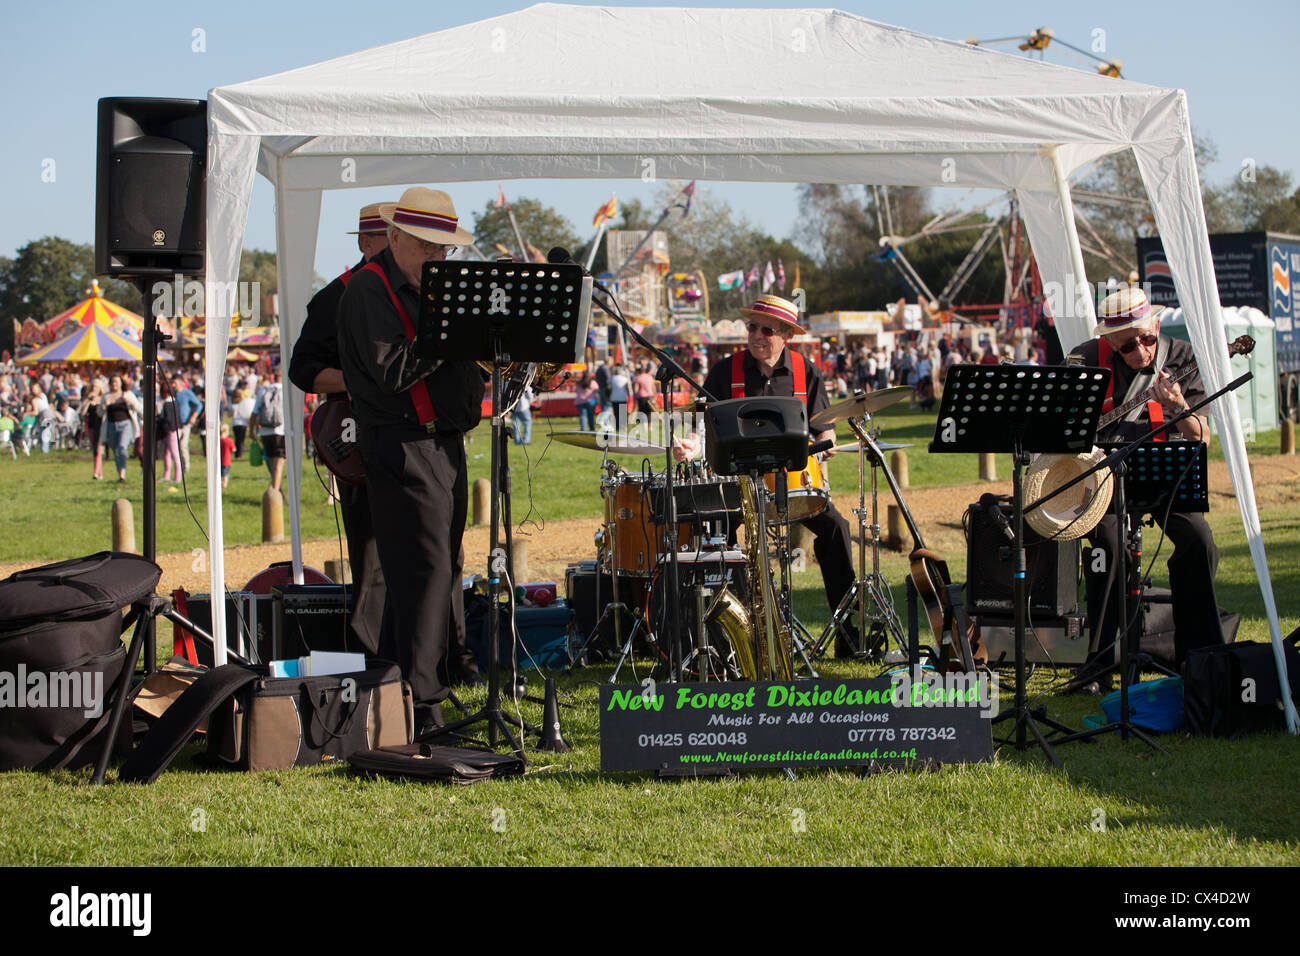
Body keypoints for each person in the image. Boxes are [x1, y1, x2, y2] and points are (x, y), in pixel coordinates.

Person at [337, 186, 485, 737]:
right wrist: (453, 329)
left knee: (434, 572)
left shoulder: (427, 288)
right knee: (424, 575)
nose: (438, 260)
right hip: (402, 444)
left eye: (445, 250)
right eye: (427, 247)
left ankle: (403, 697)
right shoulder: (369, 291)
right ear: (394, 238)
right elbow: (395, 370)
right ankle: (425, 707)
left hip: (441, 444)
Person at [1067, 287, 1220, 692]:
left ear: (1156, 325)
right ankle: (1098, 663)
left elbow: (1202, 435)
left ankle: (1199, 656)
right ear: (1108, 342)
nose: (1139, 351)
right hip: (1103, 475)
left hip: (1164, 472)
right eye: (1126, 345)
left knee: (1198, 541)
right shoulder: (1084, 358)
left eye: (1146, 339)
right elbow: (1064, 428)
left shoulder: (1183, 357)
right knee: (1108, 547)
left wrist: (1177, 408)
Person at [696, 293, 861, 657]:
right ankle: (727, 641)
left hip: (795, 482)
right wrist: (690, 442)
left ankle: (849, 636)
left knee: (836, 531)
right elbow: (703, 422)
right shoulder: (725, 371)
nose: (755, 334)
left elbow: (824, 425)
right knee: (717, 537)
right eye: (751, 326)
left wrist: (827, 439)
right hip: (736, 486)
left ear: (787, 333)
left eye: (765, 329)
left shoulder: (807, 370)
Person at [289, 202, 393, 656]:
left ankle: (445, 655)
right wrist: (362, 381)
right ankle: (372, 654)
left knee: (440, 555)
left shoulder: (416, 292)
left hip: (417, 437)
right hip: (362, 440)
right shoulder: (335, 297)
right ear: (367, 243)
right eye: (393, 240)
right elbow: (303, 370)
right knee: (372, 557)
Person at [250, 369, 286, 493]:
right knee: (279, 463)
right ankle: (274, 492)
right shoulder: (285, 390)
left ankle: (276, 490)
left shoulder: (264, 390)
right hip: (281, 431)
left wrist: (251, 431)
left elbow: (254, 412)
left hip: (265, 431)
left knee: (271, 462)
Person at [100, 374, 140, 482]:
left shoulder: (127, 394)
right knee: (116, 450)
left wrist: (129, 402)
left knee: (122, 447)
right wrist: (104, 405)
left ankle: (122, 474)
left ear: (121, 383)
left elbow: (139, 408)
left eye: (116, 382)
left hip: (125, 425)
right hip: (111, 426)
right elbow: (99, 413)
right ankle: (120, 473)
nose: (114, 384)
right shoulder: (106, 396)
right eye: (112, 382)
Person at [171, 375, 203, 474]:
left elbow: (199, 405)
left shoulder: (187, 393)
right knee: (175, 447)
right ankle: (178, 467)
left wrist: (193, 417)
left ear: (181, 383)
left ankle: (186, 468)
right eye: (172, 383)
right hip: (175, 424)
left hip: (185, 423)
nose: (173, 385)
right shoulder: (172, 394)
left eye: (175, 383)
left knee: (183, 445)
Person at [218, 422, 235, 489]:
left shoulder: (218, 440)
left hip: (219, 460)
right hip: (227, 461)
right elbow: (233, 449)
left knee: (220, 473)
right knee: (225, 474)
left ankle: (220, 483)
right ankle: (224, 484)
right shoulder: (229, 441)